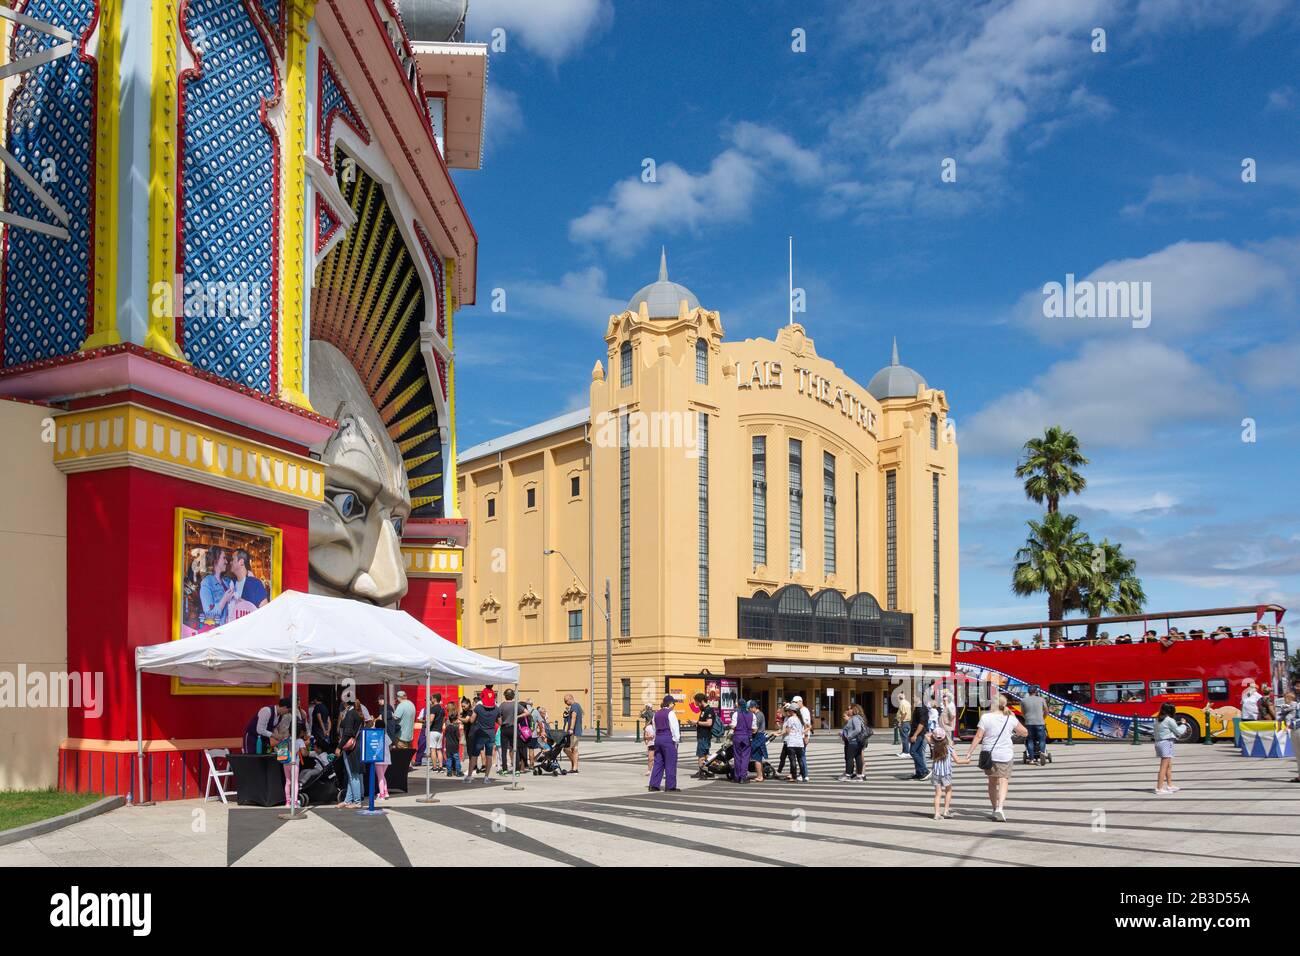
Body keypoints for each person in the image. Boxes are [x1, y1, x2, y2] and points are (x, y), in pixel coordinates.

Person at [964, 695, 1026, 821]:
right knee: (1003, 780)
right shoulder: (1010, 718)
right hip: (1005, 754)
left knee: (992, 782)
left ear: (994, 704)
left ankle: (994, 808)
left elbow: (978, 736)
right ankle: (1000, 808)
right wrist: (1011, 733)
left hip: (989, 754)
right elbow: (1024, 732)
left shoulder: (985, 717)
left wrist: (970, 751)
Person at [928, 725, 966, 820]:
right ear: (945, 737)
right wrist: (967, 761)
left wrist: (933, 735)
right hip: (946, 773)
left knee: (938, 794)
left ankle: (937, 814)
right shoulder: (949, 748)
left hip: (936, 773)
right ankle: (945, 811)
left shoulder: (933, 746)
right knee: (948, 790)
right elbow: (957, 760)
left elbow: (926, 735)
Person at [648, 695, 681, 792]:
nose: (674, 705)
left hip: (658, 738)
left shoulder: (656, 714)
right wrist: (676, 741)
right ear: (670, 703)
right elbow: (675, 728)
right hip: (668, 739)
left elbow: (654, 728)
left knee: (658, 762)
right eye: (673, 703)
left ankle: (653, 785)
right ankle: (670, 786)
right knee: (670, 762)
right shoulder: (671, 713)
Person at [335, 698, 364, 808]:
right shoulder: (356, 713)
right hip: (356, 747)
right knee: (352, 775)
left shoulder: (350, 714)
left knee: (353, 776)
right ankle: (348, 800)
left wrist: (339, 747)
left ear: (346, 703)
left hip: (351, 748)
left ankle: (357, 802)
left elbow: (347, 733)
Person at [198, 546, 236, 626]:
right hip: (217, 632)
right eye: (224, 558)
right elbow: (209, 615)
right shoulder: (206, 583)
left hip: (228, 628)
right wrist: (225, 599)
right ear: (215, 560)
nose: (226, 562)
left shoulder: (226, 581)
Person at [466, 692, 499, 784]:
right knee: (489, 755)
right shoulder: (496, 709)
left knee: (474, 755)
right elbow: (500, 721)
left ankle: (469, 776)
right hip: (491, 734)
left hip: (480, 733)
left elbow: (471, 720)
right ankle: (486, 777)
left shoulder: (479, 708)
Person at [774, 704, 808, 782]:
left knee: (793, 760)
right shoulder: (800, 719)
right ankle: (803, 776)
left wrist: (782, 732)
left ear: (792, 711)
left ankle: (794, 776)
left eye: (789, 710)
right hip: (800, 742)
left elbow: (788, 731)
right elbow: (806, 727)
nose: (788, 711)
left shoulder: (790, 719)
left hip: (792, 742)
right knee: (800, 760)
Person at [1153, 702, 1181, 795]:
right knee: (1164, 767)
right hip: (1166, 742)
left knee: (1168, 765)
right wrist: (1184, 725)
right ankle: (1159, 788)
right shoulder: (1169, 720)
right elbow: (1178, 732)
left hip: (1159, 743)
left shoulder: (1157, 719)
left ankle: (1170, 785)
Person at [691, 693, 716, 779]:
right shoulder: (703, 710)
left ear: (701, 701)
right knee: (704, 754)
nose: (696, 704)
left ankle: (702, 772)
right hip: (703, 735)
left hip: (704, 736)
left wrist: (696, 722)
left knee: (701, 754)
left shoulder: (709, 710)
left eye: (697, 702)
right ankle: (704, 770)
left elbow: (709, 723)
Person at [280, 726, 307, 808]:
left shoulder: (285, 739)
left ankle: (287, 802)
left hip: (285, 762)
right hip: (294, 763)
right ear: (299, 732)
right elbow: (304, 753)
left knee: (288, 782)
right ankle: (295, 803)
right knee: (295, 782)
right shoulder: (300, 741)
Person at [839, 705, 868, 781]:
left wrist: (849, 736)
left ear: (854, 710)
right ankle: (859, 775)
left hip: (853, 741)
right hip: (857, 741)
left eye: (850, 709)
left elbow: (857, 729)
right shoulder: (858, 718)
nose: (848, 710)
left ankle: (848, 775)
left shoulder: (855, 718)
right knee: (858, 758)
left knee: (849, 758)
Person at [1021, 686, 1048, 765]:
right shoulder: (1041, 699)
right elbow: (1046, 710)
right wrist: (1043, 718)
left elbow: (1023, 712)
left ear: (1028, 692)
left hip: (1029, 723)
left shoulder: (1023, 700)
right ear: (1036, 692)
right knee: (1042, 740)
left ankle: (1032, 759)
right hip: (1040, 722)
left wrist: (1026, 718)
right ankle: (1042, 753)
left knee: (1030, 740)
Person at [368, 713, 392, 801]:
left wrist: (373, 726)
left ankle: (382, 794)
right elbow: (390, 745)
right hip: (387, 759)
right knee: (382, 776)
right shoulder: (386, 735)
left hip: (378, 759)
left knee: (380, 777)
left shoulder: (375, 735)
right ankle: (385, 792)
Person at [908, 694, 931, 781]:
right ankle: (919, 772)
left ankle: (925, 771)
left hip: (919, 734)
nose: (913, 697)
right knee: (917, 752)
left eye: (915, 696)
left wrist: (915, 735)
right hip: (917, 734)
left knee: (913, 752)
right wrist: (911, 735)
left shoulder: (921, 708)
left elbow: (921, 724)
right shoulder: (918, 707)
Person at [562, 693, 583, 773]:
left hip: (573, 732)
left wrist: (571, 728)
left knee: (566, 749)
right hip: (577, 731)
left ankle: (575, 765)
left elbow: (574, 717)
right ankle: (574, 767)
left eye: (566, 701)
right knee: (575, 749)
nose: (565, 703)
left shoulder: (574, 706)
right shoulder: (578, 706)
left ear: (571, 698)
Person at [748, 700, 767, 782]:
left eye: (749, 708)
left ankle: (759, 776)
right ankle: (760, 775)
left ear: (753, 707)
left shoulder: (758, 715)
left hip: (758, 737)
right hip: (758, 737)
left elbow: (755, 729)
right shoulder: (757, 714)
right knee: (757, 757)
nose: (748, 710)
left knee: (757, 757)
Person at [442, 703, 463, 777]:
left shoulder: (447, 727)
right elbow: (458, 736)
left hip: (448, 745)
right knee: (456, 758)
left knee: (449, 759)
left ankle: (449, 772)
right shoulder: (456, 728)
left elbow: (445, 736)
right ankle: (458, 771)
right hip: (455, 745)